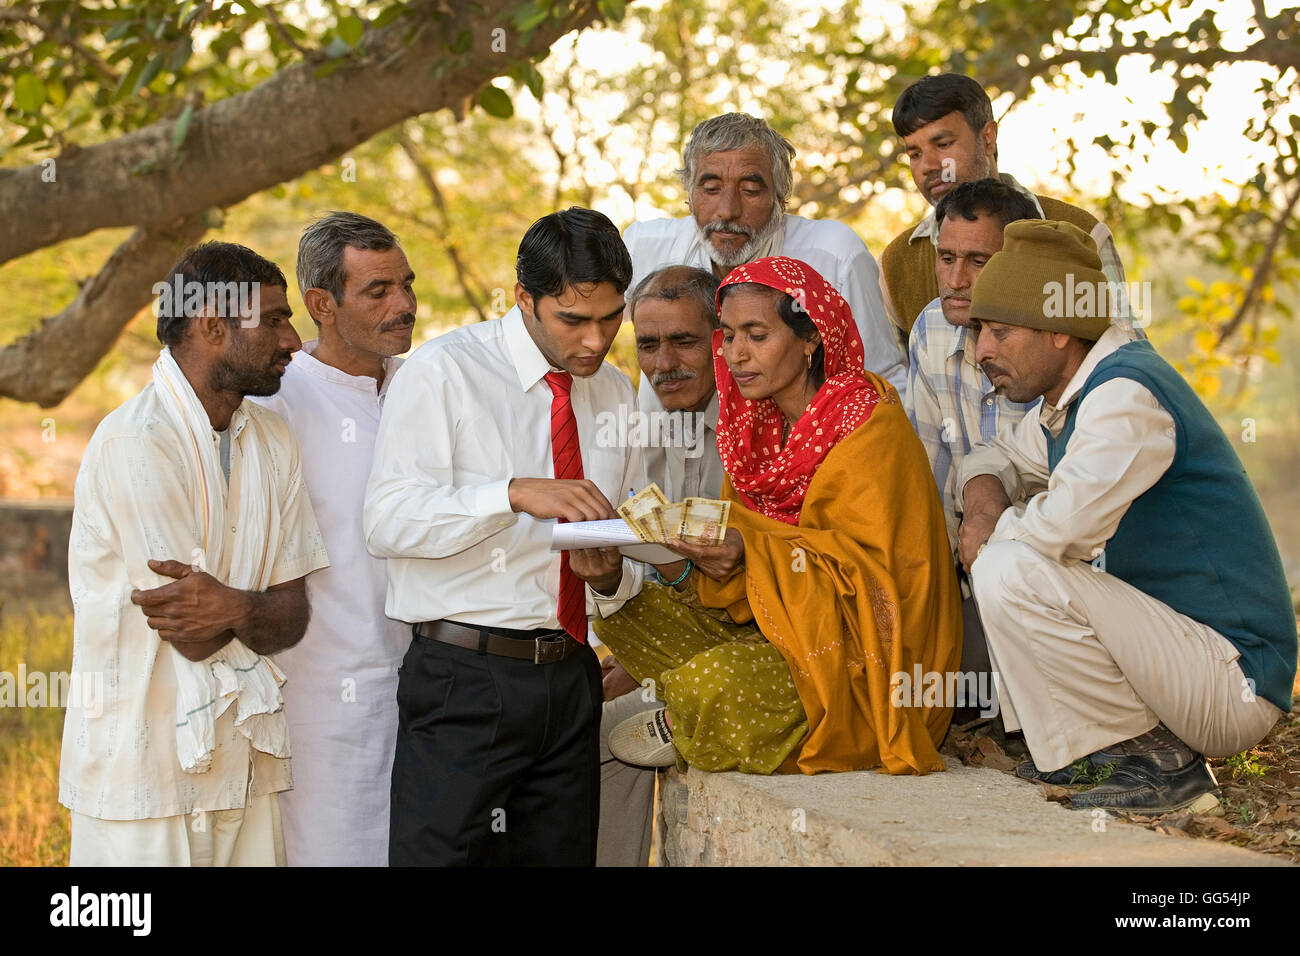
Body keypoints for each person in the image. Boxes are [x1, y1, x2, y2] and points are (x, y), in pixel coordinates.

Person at [956, 220, 1296, 813]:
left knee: (1010, 566)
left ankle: (1159, 766)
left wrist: (991, 534)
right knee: (1005, 557)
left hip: (1233, 680)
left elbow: (1060, 533)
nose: (982, 349)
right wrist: (983, 505)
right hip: (1184, 664)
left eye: (999, 331)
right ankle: (1111, 754)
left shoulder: (1125, 396)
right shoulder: (1077, 398)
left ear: (1060, 331)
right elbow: (994, 455)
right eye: (980, 330)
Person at [598, 255, 962, 776]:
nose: (738, 355)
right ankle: (696, 711)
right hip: (781, 632)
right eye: (727, 336)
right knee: (632, 612)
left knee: (717, 680)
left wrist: (752, 549)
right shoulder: (753, 433)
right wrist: (687, 559)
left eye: (756, 335)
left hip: (870, 659)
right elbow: (740, 578)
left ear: (810, 339)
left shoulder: (869, 425)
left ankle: (699, 708)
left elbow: (878, 581)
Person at [364, 207, 647, 866]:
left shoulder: (614, 394)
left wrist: (609, 575)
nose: (594, 341)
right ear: (524, 298)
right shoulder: (442, 373)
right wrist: (512, 494)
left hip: (572, 679)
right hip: (465, 678)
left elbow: (618, 535)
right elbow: (387, 521)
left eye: (611, 319)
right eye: (573, 320)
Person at [60, 242, 329, 866]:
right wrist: (247, 610)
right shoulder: (135, 441)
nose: (292, 340)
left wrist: (230, 605)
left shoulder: (272, 438)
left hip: (244, 764)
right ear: (212, 325)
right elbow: (192, 635)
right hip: (142, 772)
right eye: (274, 319)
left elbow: (292, 617)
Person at [250, 212, 415, 866]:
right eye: (378, 291)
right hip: (322, 707)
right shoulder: (278, 403)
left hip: (437, 699)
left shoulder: (426, 387)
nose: (404, 304)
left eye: (406, 284)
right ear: (321, 304)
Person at [623, 112, 907, 397]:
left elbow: (882, 377)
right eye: (711, 189)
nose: (727, 210)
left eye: (749, 191)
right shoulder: (646, 246)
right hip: (670, 439)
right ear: (689, 196)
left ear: (780, 200)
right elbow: (584, 324)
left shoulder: (834, 256)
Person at [595, 264, 723, 866]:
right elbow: (652, 564)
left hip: (755, 652)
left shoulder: (759, 425)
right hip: (684, 639)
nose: (664, 361)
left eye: (684, 341)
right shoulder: (645, 429)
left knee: (594, 735)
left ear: (721, 337)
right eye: (648, 344)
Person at [880, 73, 1133, 342]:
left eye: (942, 145)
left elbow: (1126, 351)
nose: (928, 165)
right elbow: (897, 378)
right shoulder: (896, 265)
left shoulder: (1081, 234)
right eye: (914, 154)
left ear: (988, 138)